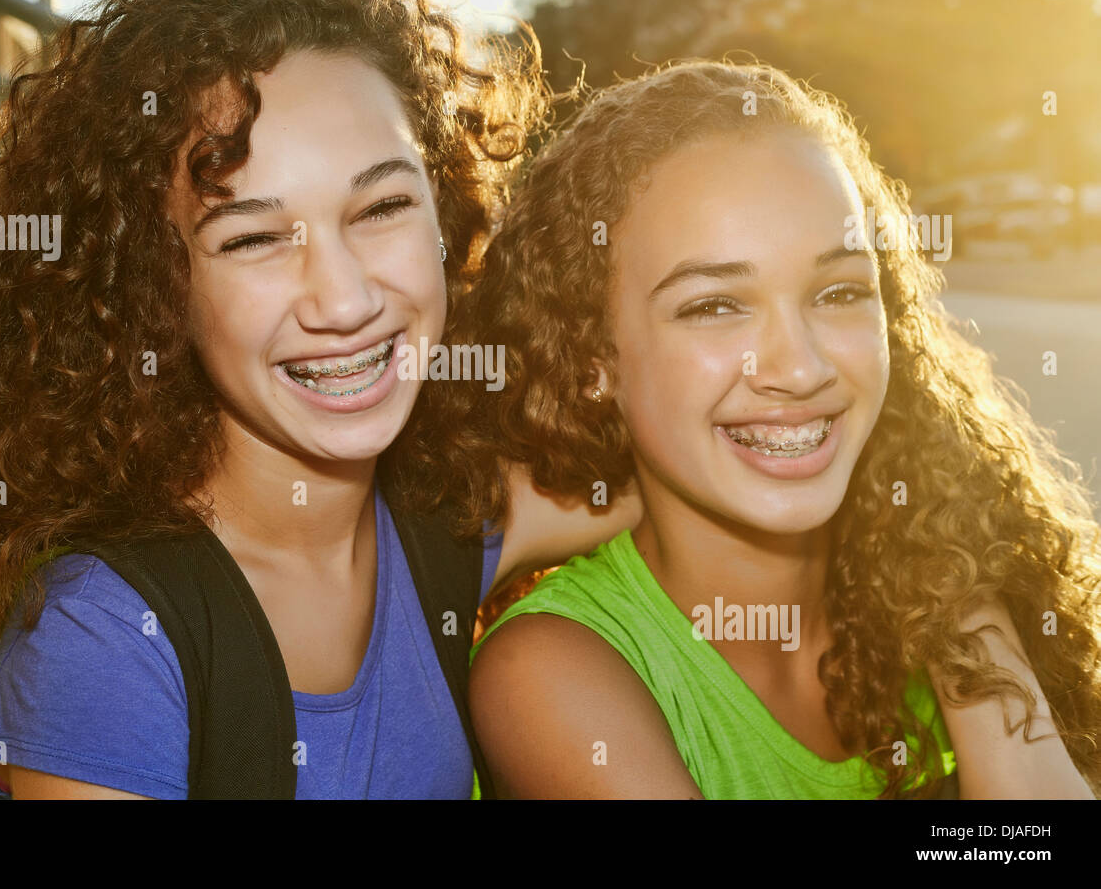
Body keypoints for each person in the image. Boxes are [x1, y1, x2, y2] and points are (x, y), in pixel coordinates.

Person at [0, 0, 637, 799]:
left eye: (385, 205)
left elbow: (676, 463)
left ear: (451, 211)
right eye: (251, 237)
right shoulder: (103, 641)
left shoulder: (443, 519)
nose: (344, 298)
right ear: (153, 287)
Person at [462, 59, 1101, 798]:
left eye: (838, 292)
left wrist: (967, 606)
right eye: (714, 306)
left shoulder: (937, 577)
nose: (799, 368)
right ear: (591, 359)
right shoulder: (549, 672)